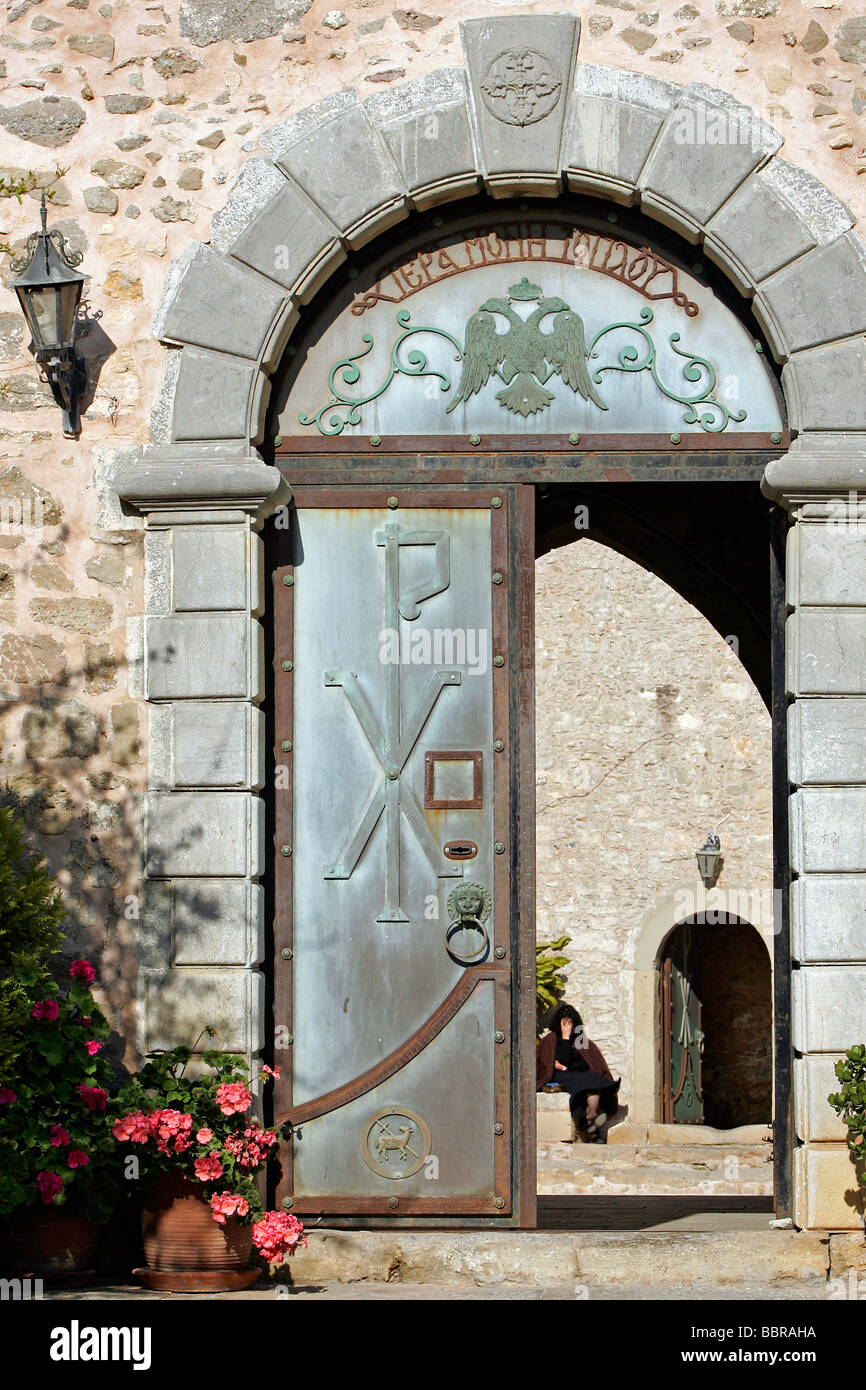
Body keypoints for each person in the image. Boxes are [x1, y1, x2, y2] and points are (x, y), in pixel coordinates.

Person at [536, 1003, 621, 1139]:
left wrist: (565, 1067)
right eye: (565, 1023)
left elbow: (582, 1065)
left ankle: (591, 1114)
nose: (568, 1027)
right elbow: (553, 1064)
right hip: (556, 1077)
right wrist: (565, 1037)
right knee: (589, 1080)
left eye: (570, 1024)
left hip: (573, 1074)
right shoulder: (551, 1040)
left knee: (591, 1080)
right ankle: (592, 1124)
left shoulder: (580, 1041)